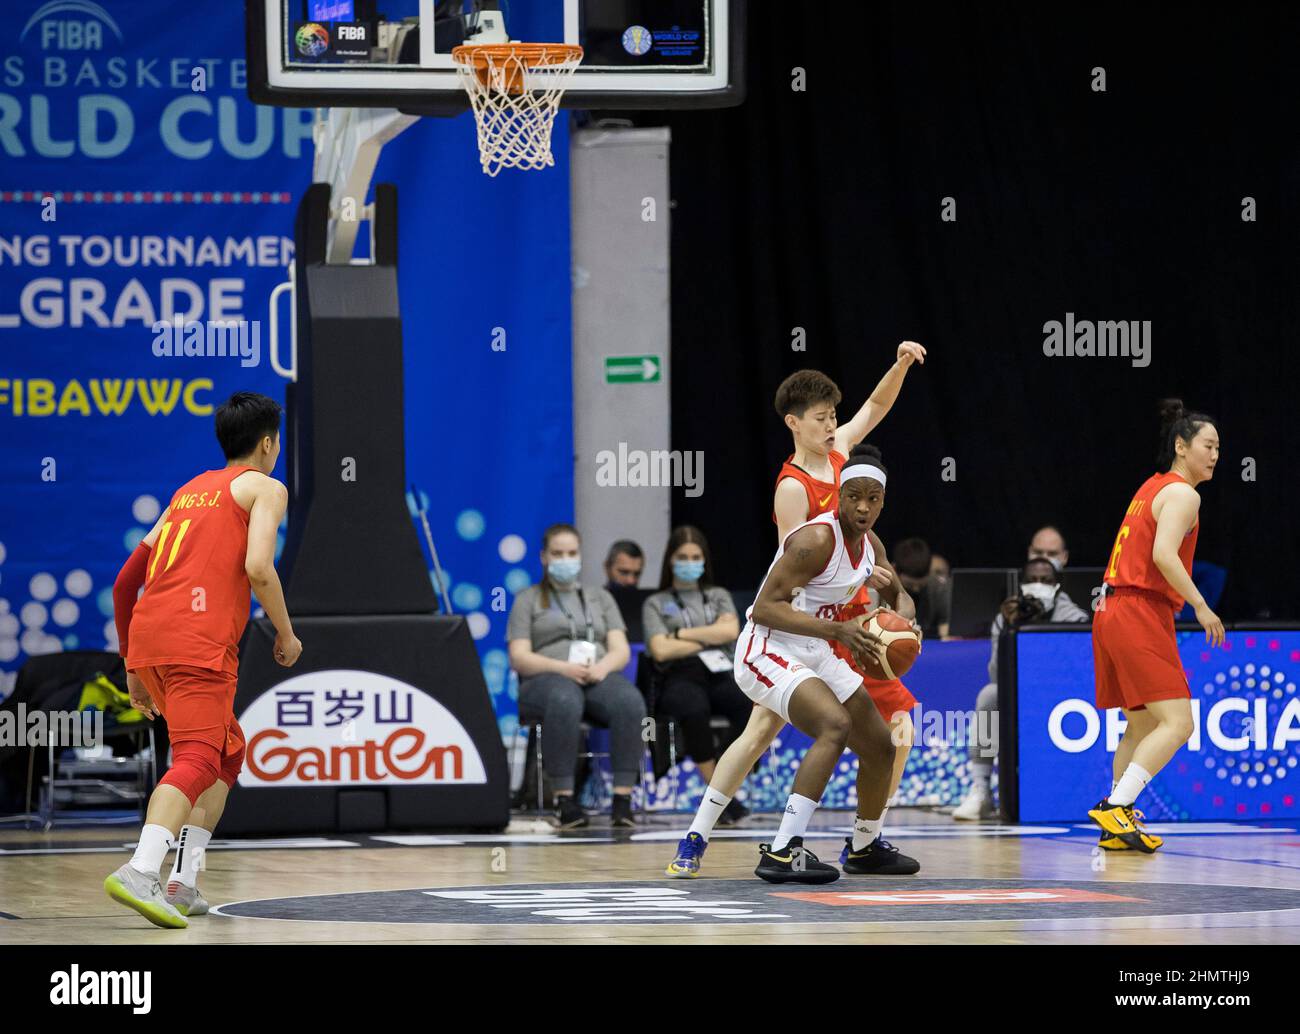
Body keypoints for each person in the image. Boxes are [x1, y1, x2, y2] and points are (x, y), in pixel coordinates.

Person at [665, 345, 927, 879]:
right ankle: (715, 838)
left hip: (843, 626)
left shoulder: (844, 456)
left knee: (883, 734)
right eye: (822, 418)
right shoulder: (794, 491)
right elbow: (798, 579)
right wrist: (852, 616)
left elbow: (876, 408)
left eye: (835, 416)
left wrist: (899, 365)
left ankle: (864, 840)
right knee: (769, 730)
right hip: (801, 624)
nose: (834, 425)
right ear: (793, 423)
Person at [104, 392, 301, 928]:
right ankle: (142, 870)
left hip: (151, 639)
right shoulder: (267, 487)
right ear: (267, 443)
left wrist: (131, 665)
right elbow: (259, 568)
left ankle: (183, 882)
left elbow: (125, 585)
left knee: (227, 751)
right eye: (276, 440)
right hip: (199, 642)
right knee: (195, 759)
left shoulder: (186, 492)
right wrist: (285, 632)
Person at [734, 445, 922, 882]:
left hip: (814, 647)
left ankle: (864, 846)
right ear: (838, 494)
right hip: (766, 647)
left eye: (872, 499)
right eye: (853, 495)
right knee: (834, 725)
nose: (862, 506)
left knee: (881, 744)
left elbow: (900, 596)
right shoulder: (815, 540)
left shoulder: (871, 544)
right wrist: (839, 631)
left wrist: (905, 625)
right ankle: (782, 851)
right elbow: (762, 608)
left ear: (882, 502)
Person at [1088, 400, 1223, 852]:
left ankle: (1114, 822)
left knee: (1143, 723)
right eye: (1208, 445)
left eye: (1219, 448)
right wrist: (1202, 605)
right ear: (1181, 446)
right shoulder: (1185, 494)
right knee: (1179, 723)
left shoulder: (1152, 486)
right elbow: (1164, 556)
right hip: (1138, 610)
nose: (1215, 454)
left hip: (1111, 609)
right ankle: (1118, 807)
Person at [508, 524, 646, 829]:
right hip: (544, 680)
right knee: (564, 697)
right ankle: (564, 800)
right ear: (544, 557)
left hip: (594, 676)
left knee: (629, 701)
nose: (565, 560)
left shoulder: (600, 598)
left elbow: (620, 649)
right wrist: (562, 669)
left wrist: (602, 668)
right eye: (558, 553)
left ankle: (622, 800)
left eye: (572, 553)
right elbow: (519, 657)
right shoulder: (527, 599)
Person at [952, 555, 1089, 820]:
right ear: (1022, 584)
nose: (1039, 585)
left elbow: (1077, 672)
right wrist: (1011, 628)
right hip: (1020, 694)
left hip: (1063, 701)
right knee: (989, 695)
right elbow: (996, 674)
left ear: (1058, 586)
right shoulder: (1005, 617)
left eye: (1046, 581)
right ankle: (981, 792)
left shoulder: (1075, 618)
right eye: (1033, 580)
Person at [642, 526, 750, 813]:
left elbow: (730, 631)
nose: (689, 563)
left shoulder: (717, 594)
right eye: (682, 557)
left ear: (704, 560)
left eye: (695, 557)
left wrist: (678, 635)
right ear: (670, 560)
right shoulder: (656, 602)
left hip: (718, 671)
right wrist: (707, 635)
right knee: (693, 707)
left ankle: (720, 774)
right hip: (678, 674)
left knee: (749, 705)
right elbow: (659, 650)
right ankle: (719, 798)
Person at [891, 537, 951, 638]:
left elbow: (946, 634)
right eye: (910, 585)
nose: (916, 589)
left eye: (921, 585)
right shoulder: (882, 585)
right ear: (894, 570)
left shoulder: (941, 588)